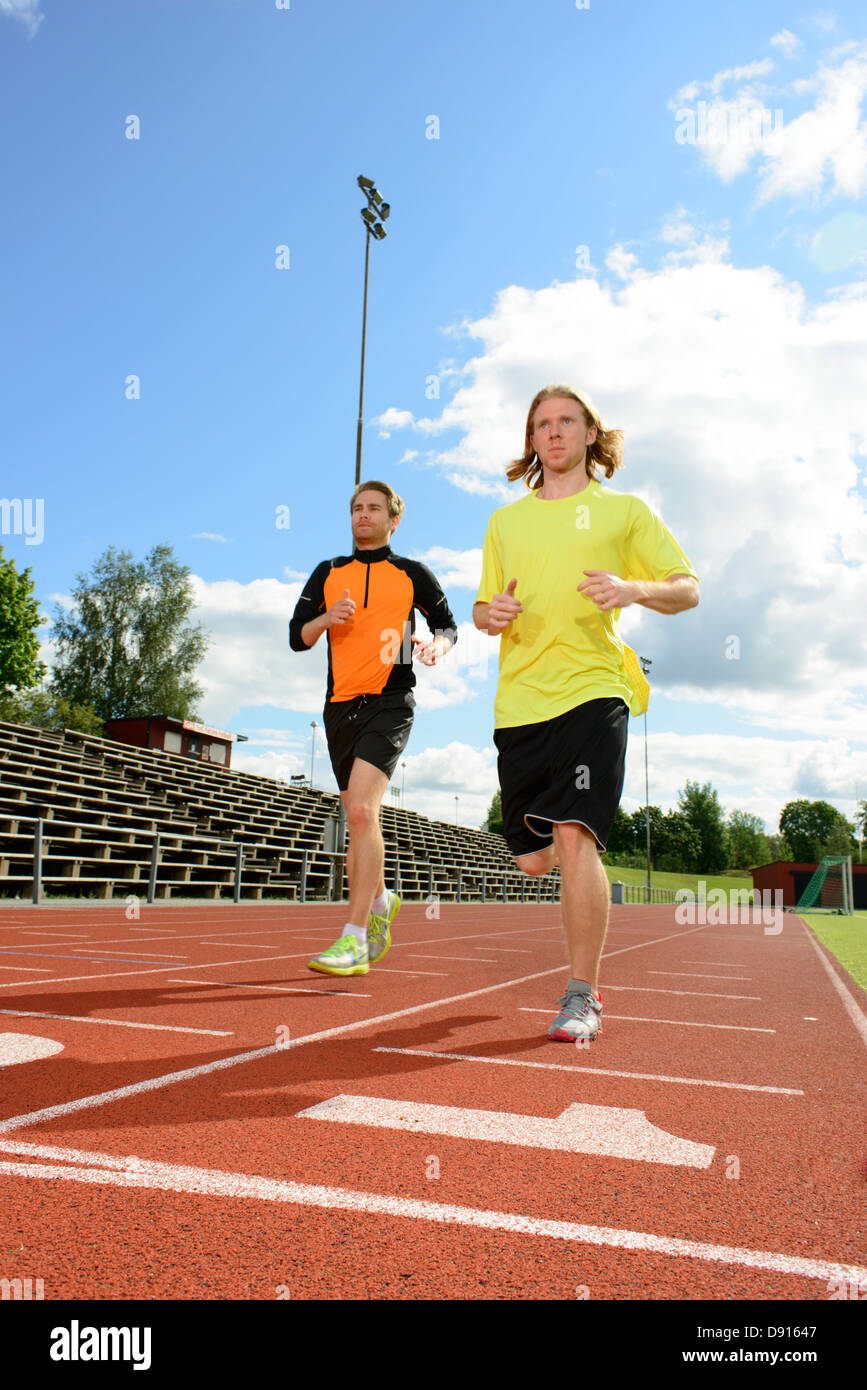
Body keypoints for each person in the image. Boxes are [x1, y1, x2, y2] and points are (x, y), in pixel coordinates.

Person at [473, 386, 699, 1041]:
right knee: (532, 859)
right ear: (530, 439)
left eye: (565, 421)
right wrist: (492, 616)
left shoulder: (623, 512)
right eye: (540, 423)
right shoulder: (504, 523)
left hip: (594, 688)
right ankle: (545, 857)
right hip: (520, 700)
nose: (553, 432)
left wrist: (632, 588)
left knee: (574, 832)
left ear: (589, 432)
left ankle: (581, 994)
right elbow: (483, 610)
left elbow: (686, 588)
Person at [289, 480, 457, 976]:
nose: (364, 515)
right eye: (357, 508)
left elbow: (448, 626)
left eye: (374, 509)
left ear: (393, 520)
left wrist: (436, 648)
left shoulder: (411, 573)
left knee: (361, 811)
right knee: (356, 815)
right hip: (339, 707)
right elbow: (297, 638)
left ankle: (354, 939)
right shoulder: (328, 572)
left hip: (391, 699)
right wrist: (326, 617)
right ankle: (381, 897)